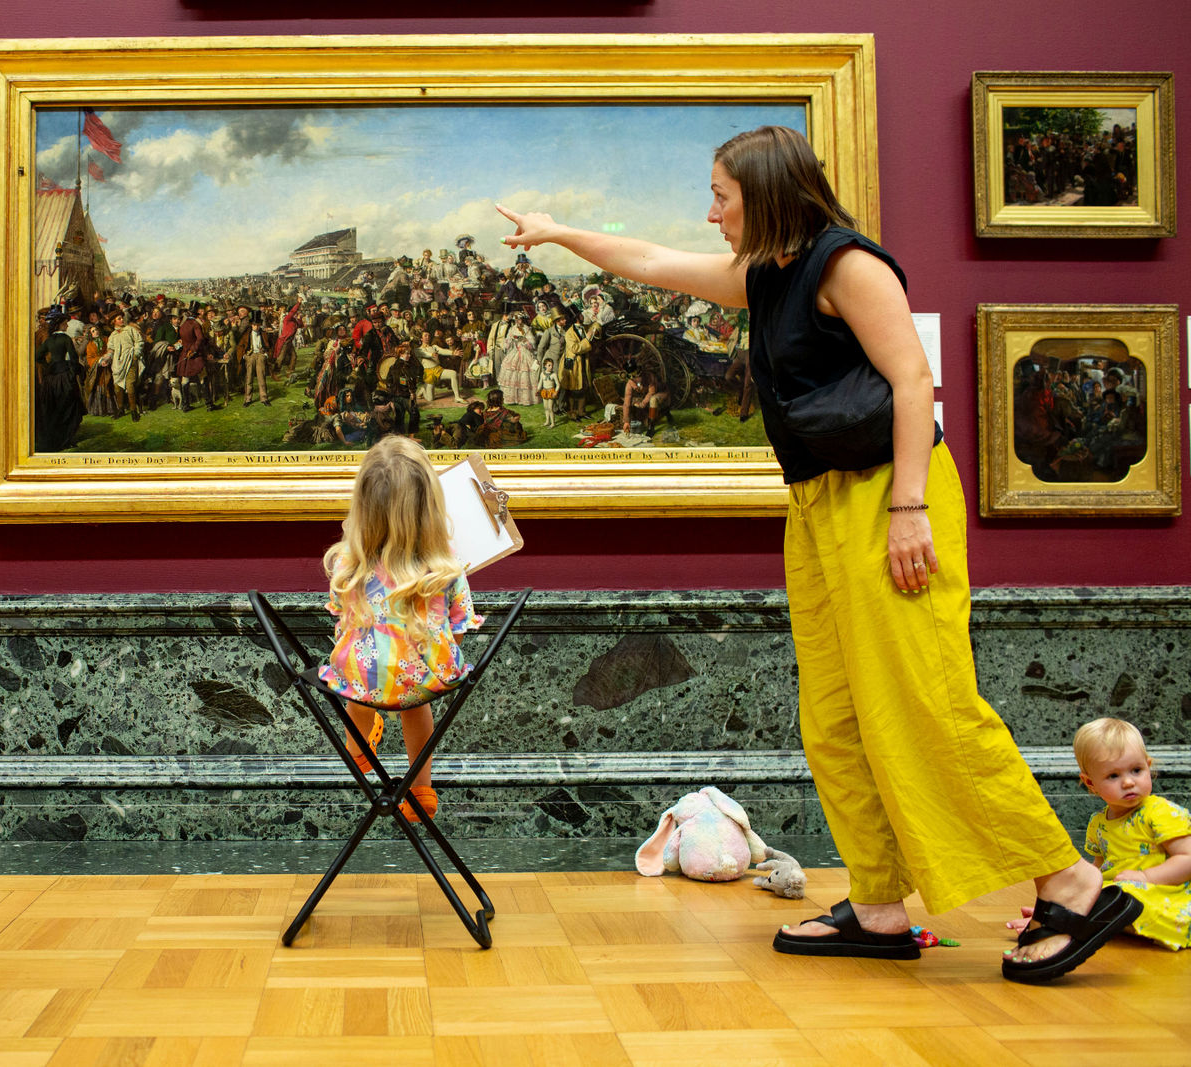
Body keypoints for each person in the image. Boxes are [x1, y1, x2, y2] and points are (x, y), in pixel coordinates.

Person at [498, 124, 1137, 984]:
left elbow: (913, 379)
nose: (711, 211)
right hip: (820, 506)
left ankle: (1069, 878)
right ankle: (877, 903)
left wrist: (910, 507)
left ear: (762, 194)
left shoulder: (847, 266)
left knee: (926, 702)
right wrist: (559, 230)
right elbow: (648, 258)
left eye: (720, 194)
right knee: (835, 718)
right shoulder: (764, 274)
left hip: (889, 495)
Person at [317, 436, 487, 823]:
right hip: (426, 680)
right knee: (415, 701)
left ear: (362, 507)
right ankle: (420, 790)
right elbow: (458, 630)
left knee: (360, 665)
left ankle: (357, 748)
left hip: (362, 681)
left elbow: (343, 619)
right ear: (430, 506)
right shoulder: (446, 567)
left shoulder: (347, 562)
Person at [1007, 718, 1188, 951]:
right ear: (1090, 783)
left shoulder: (1160, 812)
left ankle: (1064, 924)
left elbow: (1187, 860)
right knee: (1104, 894)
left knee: (1119, 895)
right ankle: (1058, 921)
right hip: (1125, 893)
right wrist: (1070, 901)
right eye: (1113, 776)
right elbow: (1096, 872)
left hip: (1169, 896)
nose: (1129, 782)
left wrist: (1146, 878)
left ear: (1148, 766)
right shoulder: (1098, 823)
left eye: (1137, 770)